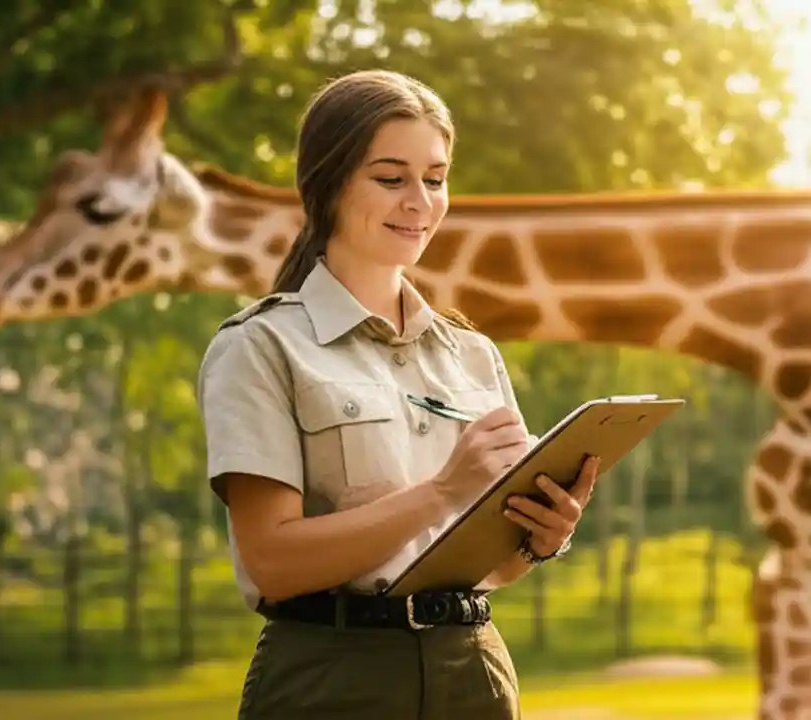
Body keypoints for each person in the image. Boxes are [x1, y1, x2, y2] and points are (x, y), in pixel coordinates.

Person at [198, 69, 601, 719]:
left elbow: (494, 568)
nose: (419, 201)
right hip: (332, 681)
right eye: (391, 178)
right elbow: (271, 559)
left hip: (476, 672)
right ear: (328, 183)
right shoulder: (260, 347)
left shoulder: (472, 355)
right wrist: (442, 491)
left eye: (435, 179)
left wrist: (540, 536)